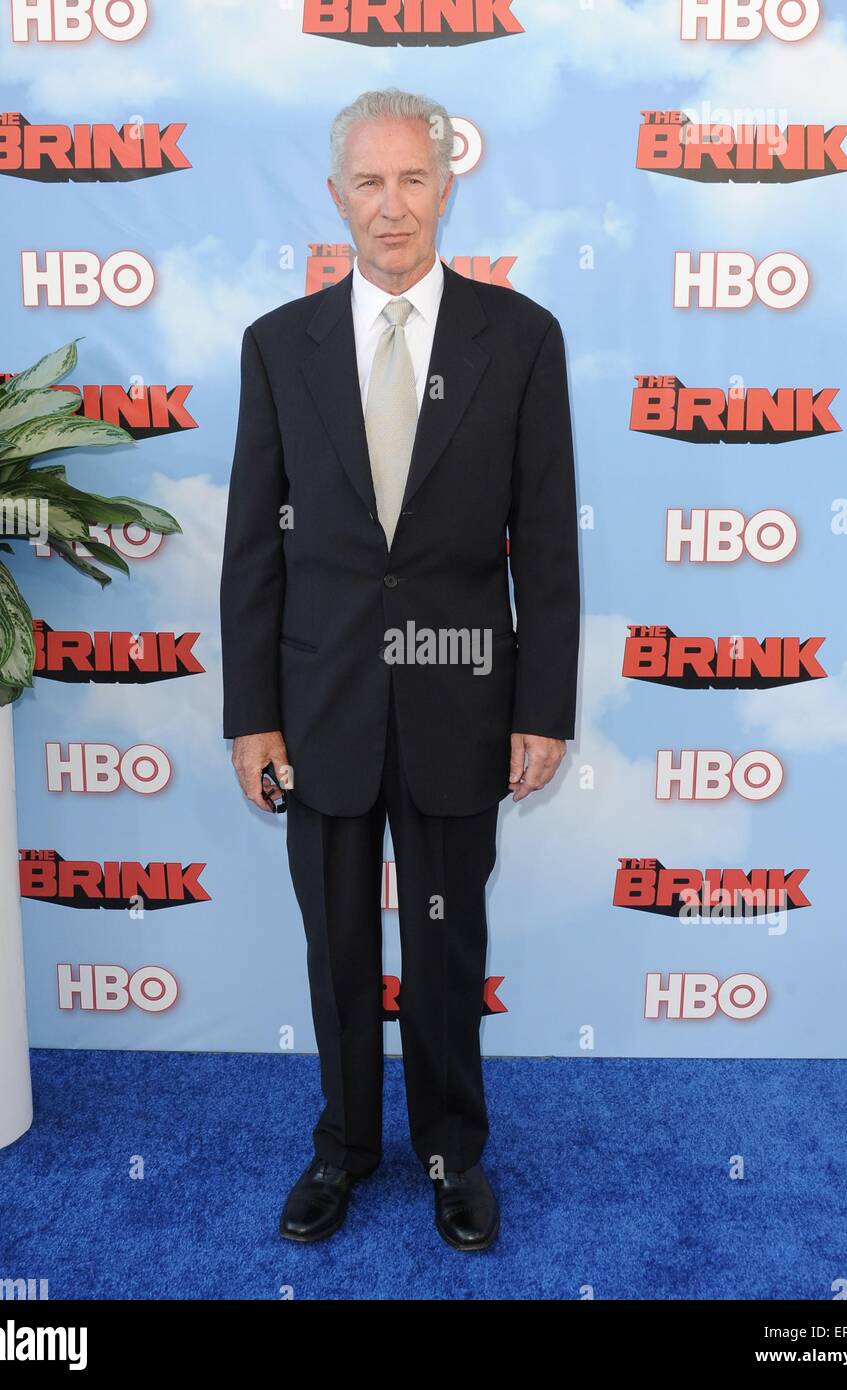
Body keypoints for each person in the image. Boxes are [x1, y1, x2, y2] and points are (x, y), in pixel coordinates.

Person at [219, 86, 580, 1251]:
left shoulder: (520, 339)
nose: (391, 206)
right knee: (336, 949)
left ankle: (449, 1154)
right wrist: (249, 716)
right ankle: (342, 1147)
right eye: (367, 183)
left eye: (411, 179)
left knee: (441, 944)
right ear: (336, 197)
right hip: (319, 706)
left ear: (445, 185)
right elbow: (247, 549)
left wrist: (541, 707)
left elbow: (548, 539)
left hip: (458, 699)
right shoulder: (278, 345)